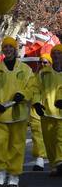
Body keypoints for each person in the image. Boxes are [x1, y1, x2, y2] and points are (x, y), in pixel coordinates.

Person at [0, 36, 39, 187]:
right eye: (5, 47)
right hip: (1, 114)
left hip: (18, 113)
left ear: (15, 49)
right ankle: (0, 172)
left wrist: (23, 95)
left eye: (11, 47)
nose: (8, 49)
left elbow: (32, 87)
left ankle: (14, 174)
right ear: (3, 49)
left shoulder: (25, 69)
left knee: (17, 146)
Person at [36, 44, 62, 175]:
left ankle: (60, 161)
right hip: (47, 112)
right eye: (54, 53)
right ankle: (54, 165)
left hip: (61, 114)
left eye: (59, 53)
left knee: (60, 139)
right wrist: (36, 103)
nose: (56, 56)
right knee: (49, 141)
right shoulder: (43, 73)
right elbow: (36, 89)